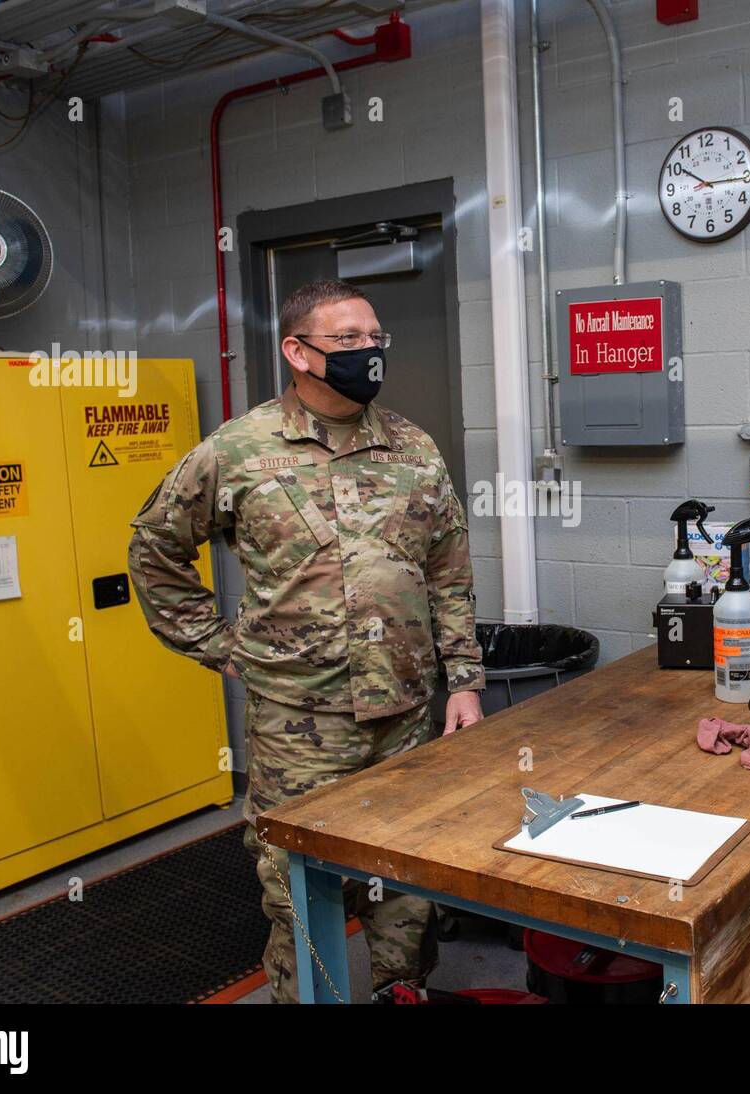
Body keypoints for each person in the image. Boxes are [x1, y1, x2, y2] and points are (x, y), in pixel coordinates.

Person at [128, 278, 484, 1002]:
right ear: (298, 351)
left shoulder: (412, 447)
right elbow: (154, 547)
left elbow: (447, 567)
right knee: (298, 896)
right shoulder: (240, 449)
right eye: (348, 339)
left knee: (408, 889)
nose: (369, 351)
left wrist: (467, 680)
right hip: (300, 727)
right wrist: (218, 646)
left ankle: (400, 994)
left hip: (407, 717)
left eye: (375, 337)